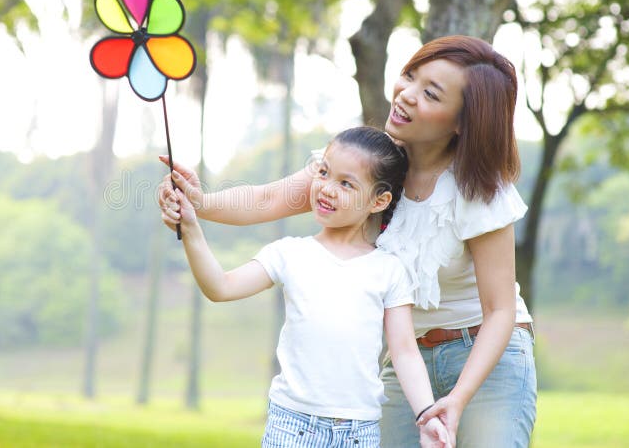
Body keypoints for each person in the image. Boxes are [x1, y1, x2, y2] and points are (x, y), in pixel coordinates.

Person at [159, 35, 536, 447]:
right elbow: (268, 198)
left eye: (429, 93)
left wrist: (457, 399)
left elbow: (499, 311)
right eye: (409, 76)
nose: (406, 95)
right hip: (406, 355)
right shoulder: (364, 165)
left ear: (462, 120)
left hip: (484, 356)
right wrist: (200, 203)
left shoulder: (480, 190)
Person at [167, 126, 450, 448]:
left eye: (346, 183)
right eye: (324, 173)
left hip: (359, 432)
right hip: (291, 425)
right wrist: (190, 226)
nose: (327, 189)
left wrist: (426, 415)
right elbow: (221, 287)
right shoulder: (290, 253)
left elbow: (404, 352)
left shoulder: (389, 269)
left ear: (379, 200)